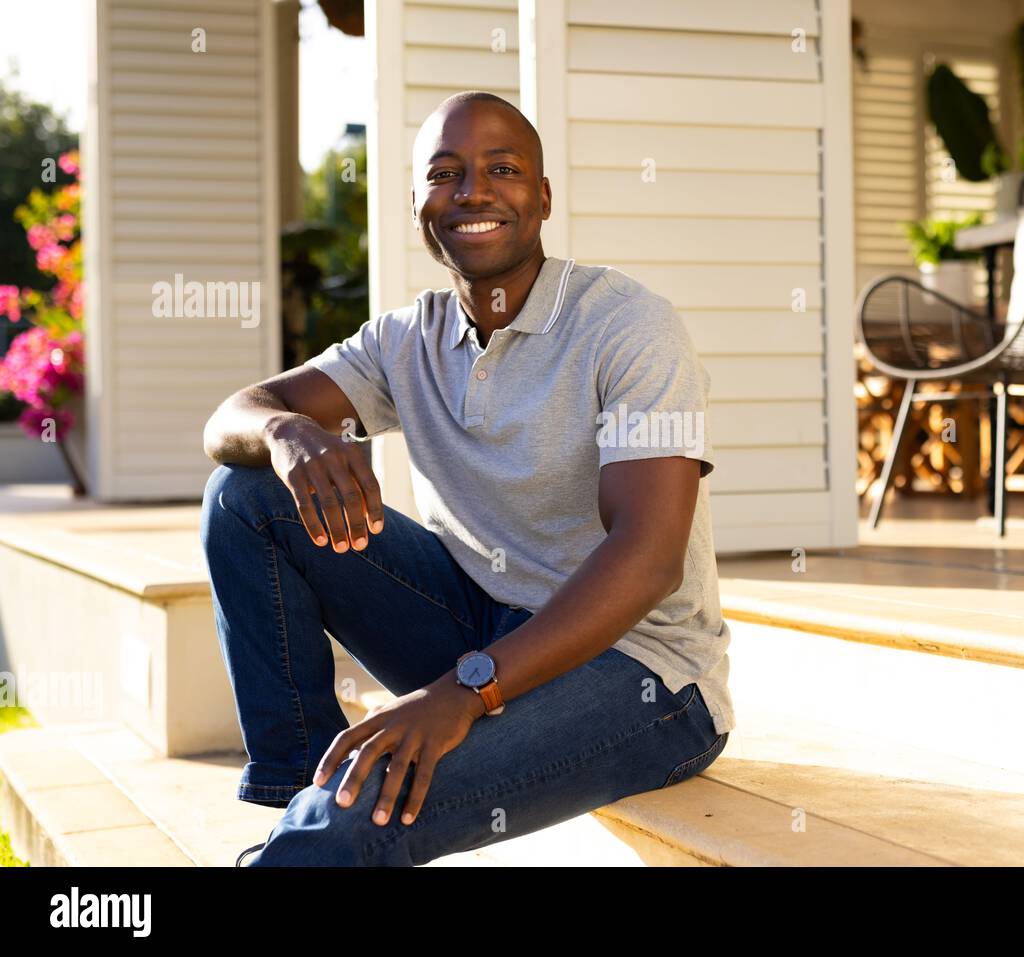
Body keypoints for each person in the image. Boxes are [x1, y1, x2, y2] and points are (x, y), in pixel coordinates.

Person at [199, 90, 734, 866]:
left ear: (542, 197)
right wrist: (289, 432)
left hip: (645, 674)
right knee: (246, 494)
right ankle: (298, 797)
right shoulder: (406, 339)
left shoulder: (629, 325)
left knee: (361, 814)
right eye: (445, 173)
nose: (474, 191)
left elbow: (649, 557)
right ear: (416, 204)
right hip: (484, 625)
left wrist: (465, 690)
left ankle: (318, 836)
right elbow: (232, 419)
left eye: (503, 169)